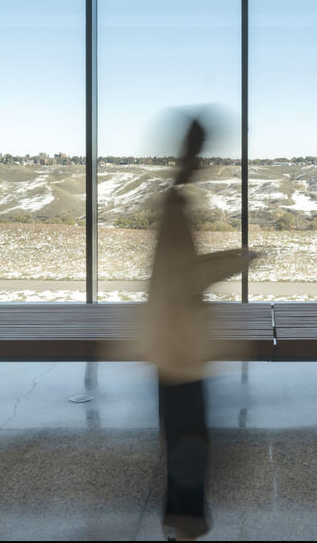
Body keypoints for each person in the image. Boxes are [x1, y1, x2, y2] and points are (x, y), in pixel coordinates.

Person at [130, 117, 256, 542]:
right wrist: (234, 262)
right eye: (201, 154)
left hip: (173, 344)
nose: (204, 164)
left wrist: (227, 259)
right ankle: (183, 530)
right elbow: (182, 278)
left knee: (186, 438)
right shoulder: (174, 207)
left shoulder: (172, 202)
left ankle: (181, 526)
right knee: (189, 440)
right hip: (177, 347)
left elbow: (179, 272)